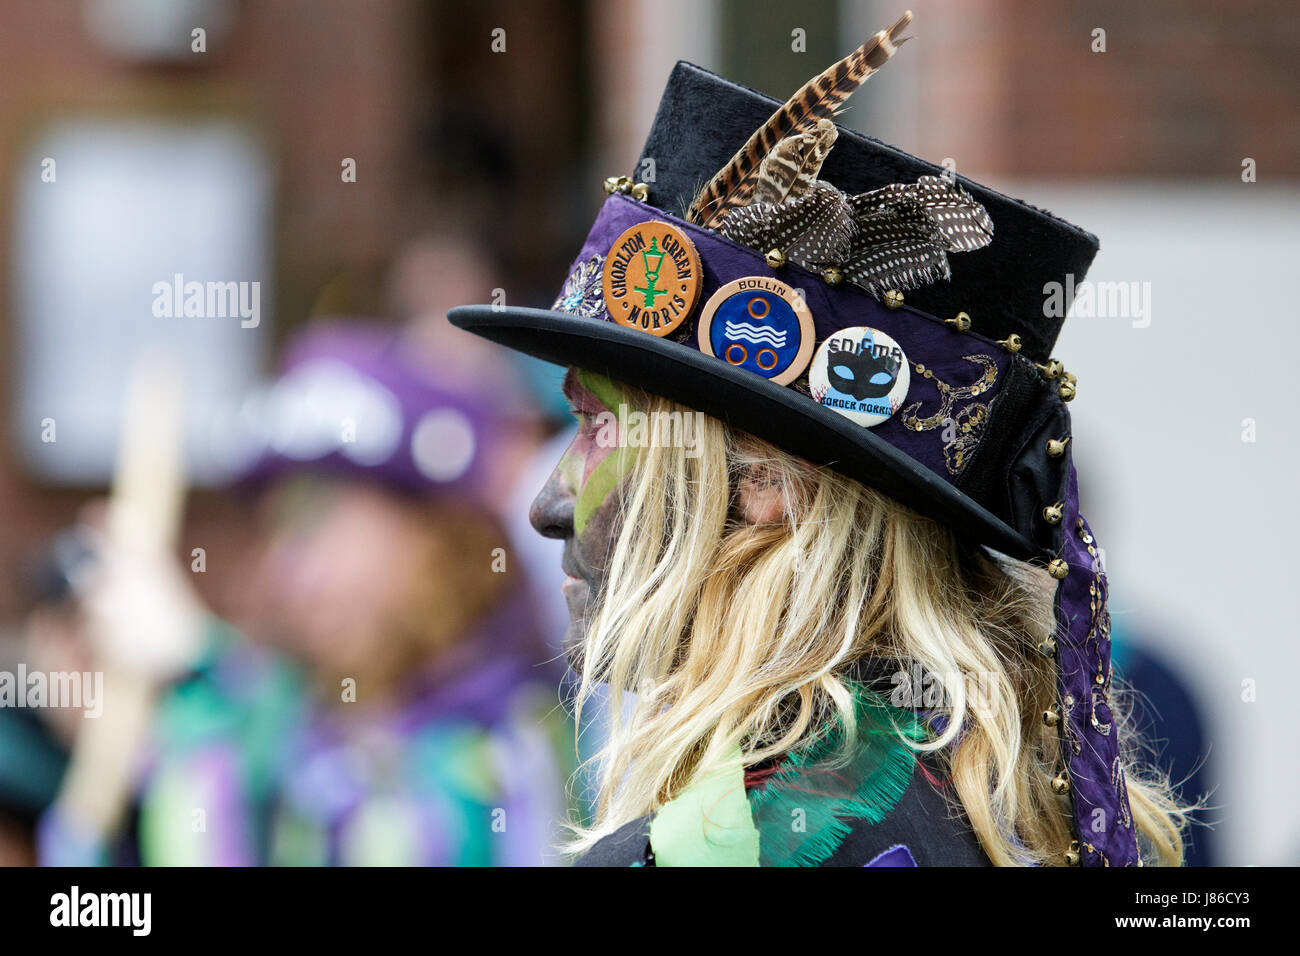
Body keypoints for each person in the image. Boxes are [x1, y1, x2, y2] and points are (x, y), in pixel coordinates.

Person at [449, 14, 1192, 866]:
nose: (548, 502)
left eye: (593, 425)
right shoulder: (999, 814)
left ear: (769, 479)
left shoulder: (734, 848)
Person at [39, 319, 579, 866]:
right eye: (274, 529)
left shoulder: (520, 743)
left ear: (438, 537)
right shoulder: (299, 716)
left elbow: (369, 831)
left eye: (313, 517)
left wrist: (197, 670)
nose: (284, 565)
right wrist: (112, 757)